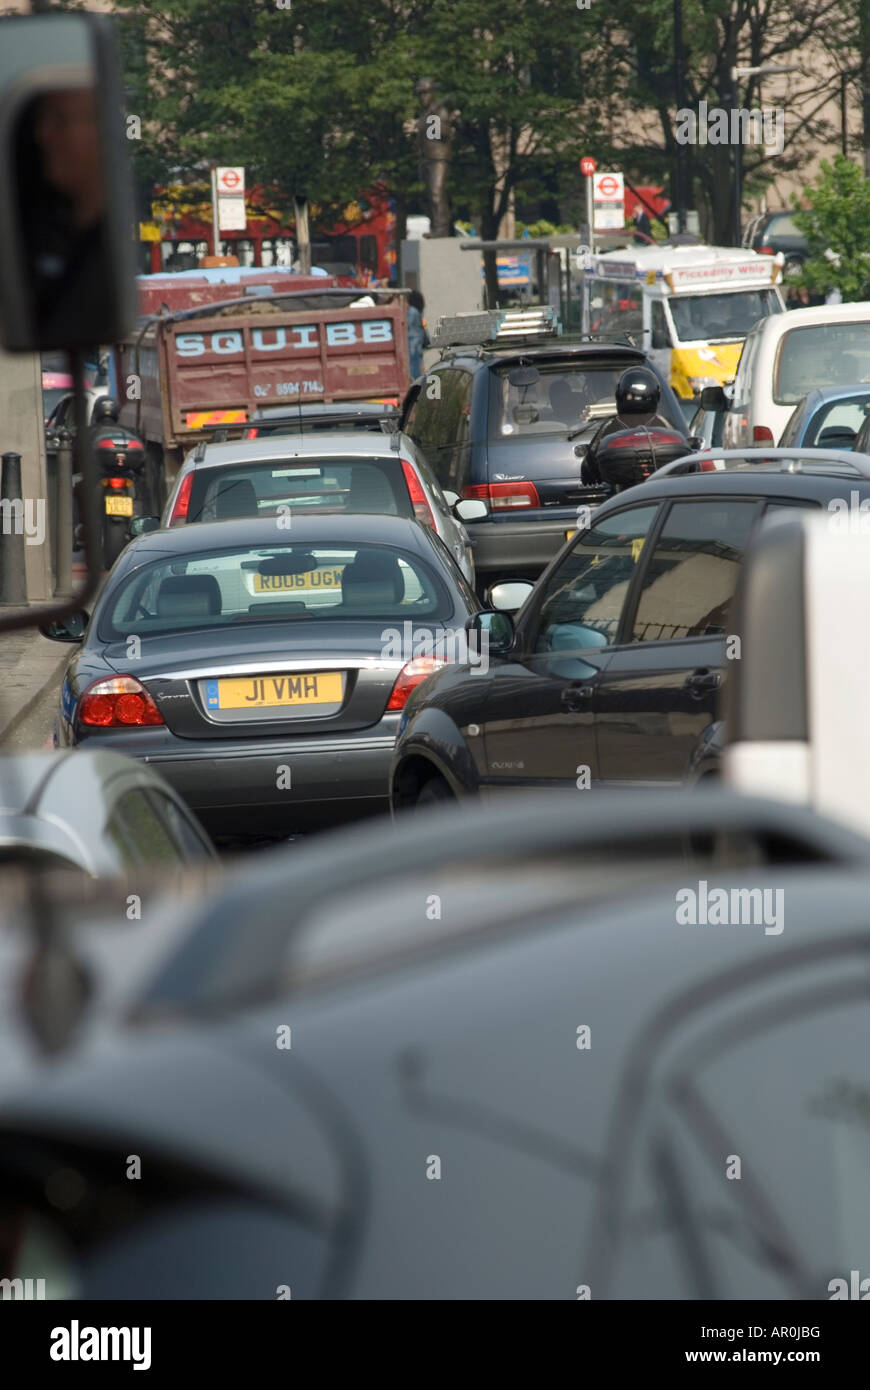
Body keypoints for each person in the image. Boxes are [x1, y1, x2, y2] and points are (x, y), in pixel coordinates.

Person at [581, 366, 685, 489]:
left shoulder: (609, 428)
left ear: (619, 395)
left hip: (622, 502)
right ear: (656, 396)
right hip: (662, 495)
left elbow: (588, 472)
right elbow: (686, 463)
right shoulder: (666, 426)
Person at [407, 289, 427, 379]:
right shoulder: (420, 312)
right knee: (418, 366)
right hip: (418, 342)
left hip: (412, 342)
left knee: (413, 367)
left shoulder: (411, 311)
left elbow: (407, 325)